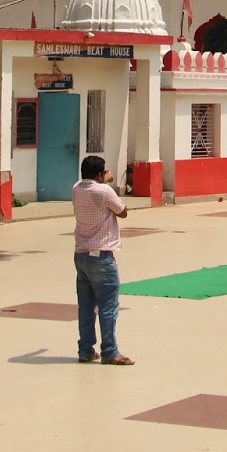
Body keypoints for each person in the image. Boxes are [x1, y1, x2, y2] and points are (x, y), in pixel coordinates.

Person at [72, 153, 133, 366]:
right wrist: (107, 183)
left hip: (81, 254)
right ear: (100, 174)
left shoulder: (76, 188)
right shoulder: (104, 191)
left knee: (85, 306)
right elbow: (123, 212)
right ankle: (110, 352)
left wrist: (102, 180)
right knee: (108, 305)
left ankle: (85, 349)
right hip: (102, 255)